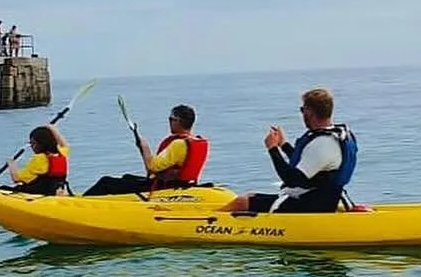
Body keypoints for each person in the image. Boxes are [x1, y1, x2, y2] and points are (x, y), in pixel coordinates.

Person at [223, 88, 358, 215]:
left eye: (302, 109)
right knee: (250, 196)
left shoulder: (322, 144)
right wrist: (283, 145)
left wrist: (272, 149)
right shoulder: (335, 137)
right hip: (325, 198)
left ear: (309, 112)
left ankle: (208, 222)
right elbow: (310, 164)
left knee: (243, 201)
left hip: (311, 205)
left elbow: (292, 179)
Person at [82, 105, 209, 196]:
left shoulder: (178, 144)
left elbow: (152, 168)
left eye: (171, 119)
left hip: (165, 188)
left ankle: (79, 205)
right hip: (182, 184)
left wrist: (144, 147)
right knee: (127, 177)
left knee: (106, 182)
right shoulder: (196, 141)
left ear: (180, 122)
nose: (169, 122)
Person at [7, 126, 70, 195]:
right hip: (54, 192)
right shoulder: (62, 154)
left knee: (4, 188)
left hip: (36, 193)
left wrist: (11, 164)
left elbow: (16, 179)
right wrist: (53, 129)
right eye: (30, 143)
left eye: (33, 143)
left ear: (42, 144)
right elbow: (64, 144)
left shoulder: (38, 158)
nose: (31, 146)